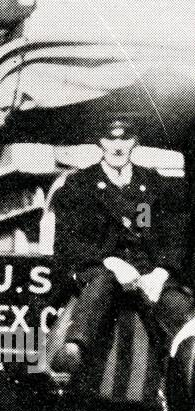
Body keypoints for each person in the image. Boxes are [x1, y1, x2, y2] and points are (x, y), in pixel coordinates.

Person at [54, 114, 194, 376]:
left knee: (176, 304)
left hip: (146, 272)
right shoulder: (79, 186)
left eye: (125, 138)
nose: (117, 146)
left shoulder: (152, 184)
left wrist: (160, 272)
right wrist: (112, 262)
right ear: (100, 142)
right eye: (110, 138)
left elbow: (169, 235)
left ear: (135, 142)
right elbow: (71, 241)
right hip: (100, 266)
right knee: (102, 284)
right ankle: (74, 348)